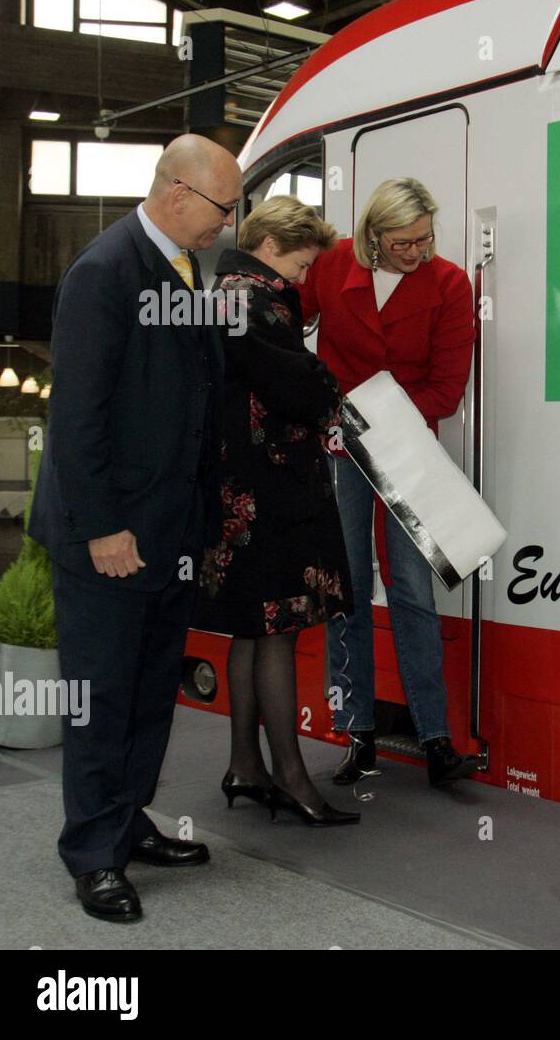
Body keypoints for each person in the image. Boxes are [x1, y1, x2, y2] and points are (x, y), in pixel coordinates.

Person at [28, 134, 239, 921]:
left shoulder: (187, 270)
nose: (228, 222)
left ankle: (127, 818)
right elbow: (76, 419)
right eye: (222, 207)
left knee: (152, 691)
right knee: (102, 695)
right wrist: (105, 527)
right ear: (178, 193)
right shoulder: (104, 273)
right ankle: (91, 852)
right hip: (109, 537)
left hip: (167, 531)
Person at [298, 178, 479, 788]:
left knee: (413, 593)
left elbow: (447, 391)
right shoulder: (329, 266)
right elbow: (282, 322)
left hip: (407, 448)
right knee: (345, 587)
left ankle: (435, 739)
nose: (419, 252)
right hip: (341, 447)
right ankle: (358, 733)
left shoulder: (451, 284)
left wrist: (381, 421)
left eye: (426, 239)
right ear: (372, 238)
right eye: (404, 243)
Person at [193, 195, 358, 827]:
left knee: (249, 628)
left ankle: (245, 764)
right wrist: (330, 388)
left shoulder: (224, 292)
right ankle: (291, 778)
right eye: (299, 262)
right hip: (272, 492)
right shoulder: (253, 297)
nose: (303, 276)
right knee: (279, 632)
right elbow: (299, 385)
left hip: (240, 491)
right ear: (269, 248)